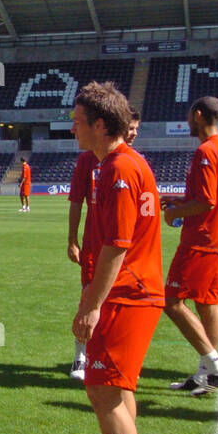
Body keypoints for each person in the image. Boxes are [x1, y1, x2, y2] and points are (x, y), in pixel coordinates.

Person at [69, 83, 162, 434]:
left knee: (102, 389)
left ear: (100, 125)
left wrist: (91, 305)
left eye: (78, 121)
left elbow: (117, 246)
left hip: (128, 295)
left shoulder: (119, 170)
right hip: (131, 293)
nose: (72, 129)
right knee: (117, 390)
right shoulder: (121, 164)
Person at [162, 96, 218, 396]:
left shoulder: (206, 151)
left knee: (171, 301)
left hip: (202, 241)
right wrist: (179, 200)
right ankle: (206, 373)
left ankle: (217, 366)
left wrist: (173, 212)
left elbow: (207, 201)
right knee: (207, 304)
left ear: (197, 115)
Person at [68, 107, 139, 380]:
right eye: (129, 127)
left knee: (116, 302)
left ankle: (110, 357)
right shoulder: (89, 160)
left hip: (122, 249)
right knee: (88, 297)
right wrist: (72, 239)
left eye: (135, 129)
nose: (132, 133)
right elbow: (76, 200)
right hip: (94, 246)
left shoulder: (132, 163)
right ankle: (80, 357)